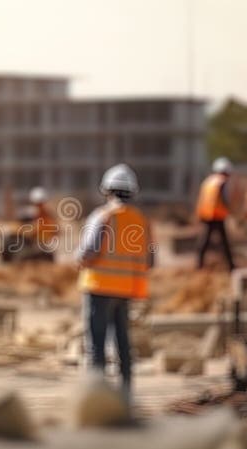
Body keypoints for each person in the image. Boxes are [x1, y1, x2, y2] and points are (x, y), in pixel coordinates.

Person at [77, 164, 150, 401]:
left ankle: (96, 399)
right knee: (123, 343)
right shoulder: (140, 220)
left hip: (99, 287)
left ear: (107, 190)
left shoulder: (103, 216)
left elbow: (89, 251)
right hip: (126, 290)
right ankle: (126, 394)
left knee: (96, 345)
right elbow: (150, 258)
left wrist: (79, 260)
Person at [196, 157, 235, 271]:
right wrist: (230, 210)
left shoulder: (208, 181)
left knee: (205, 241)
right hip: (217, 215)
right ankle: (231, 265)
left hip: (206, 214)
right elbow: (224, 199)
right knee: (224, 242)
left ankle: (199, 264)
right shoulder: (221, 182)